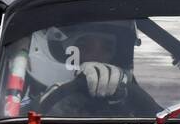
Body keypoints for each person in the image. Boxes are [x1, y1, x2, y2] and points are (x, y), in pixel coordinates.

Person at [26, 21, 159, 117]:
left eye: (107, 48)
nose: (96, 57)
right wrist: (45, 103)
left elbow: (164, 119)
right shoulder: (15, 100)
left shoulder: (130, 98)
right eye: (82, 45)